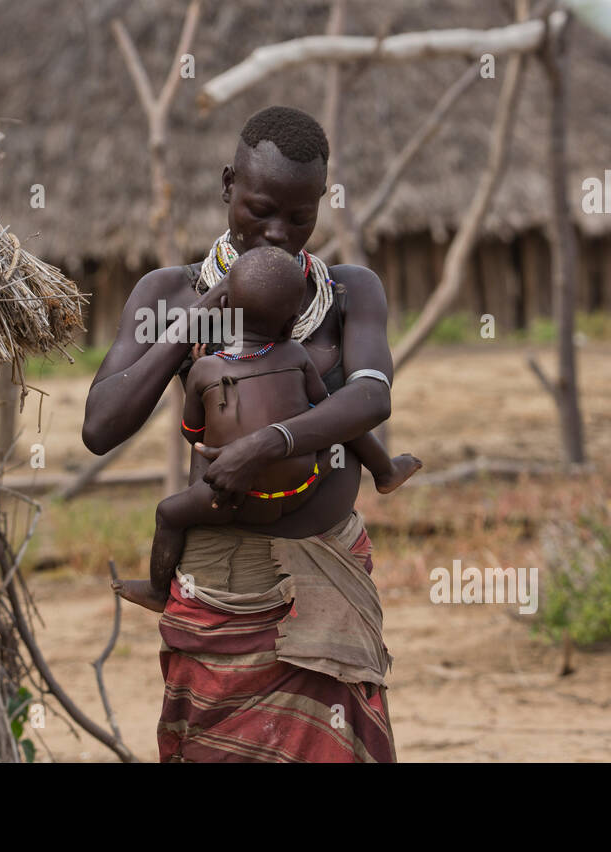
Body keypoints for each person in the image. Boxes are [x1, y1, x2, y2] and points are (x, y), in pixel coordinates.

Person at [83, 105, 404, 762]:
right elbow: (100, 428)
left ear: (321, 204)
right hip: (217, 584)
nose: (278, 234)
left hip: (325, 580)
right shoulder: (167, 294)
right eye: (260, 209)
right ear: (229, 183)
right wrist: (198, 318)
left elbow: (371, 395)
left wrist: (269, 441)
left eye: (300, 217)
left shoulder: (348, 293)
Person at [111, 245, 421, 613]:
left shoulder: (206, 370)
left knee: (168, 513)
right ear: (293, 324)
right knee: (334, 412)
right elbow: (325, 408)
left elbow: (192, 434)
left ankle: (158, 591)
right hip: (304, 486)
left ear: (224, 311)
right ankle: (385, 470)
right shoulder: (297, 356)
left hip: (233, 502)